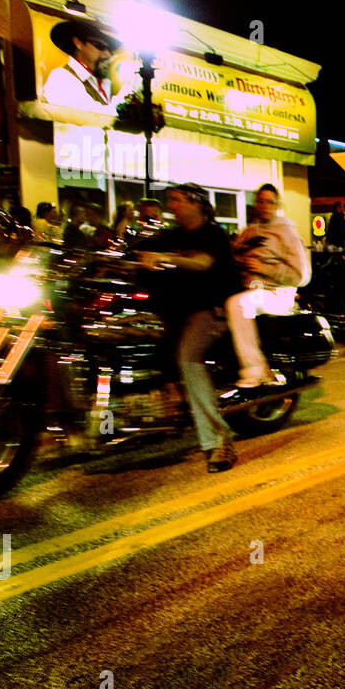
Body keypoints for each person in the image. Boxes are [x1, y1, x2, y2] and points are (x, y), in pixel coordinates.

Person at [136, 183, 242, 473]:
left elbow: (202, 262)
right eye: (170, 200)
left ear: (197, 204)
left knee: (188, 357)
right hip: (177, 311)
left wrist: (165, 258)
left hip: (211, 310)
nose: (172, 206)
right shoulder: (173, 234)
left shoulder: (213, 234)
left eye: (178, 200)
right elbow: (141, 248)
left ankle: (220, 441)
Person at [227, 184, 310, 388]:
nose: (264, 206)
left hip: (276, 294)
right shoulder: (248, 232)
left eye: (269, 202)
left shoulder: (286, 232)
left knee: (239, 304)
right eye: (260, 201)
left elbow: (302, 275)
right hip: (250, 289)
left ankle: (254, 369)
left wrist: (265, 268)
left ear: (277, 205)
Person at [40, 18, 123, 112]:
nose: (108, 55)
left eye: (110, 50)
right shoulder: (61, 77)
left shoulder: (103, 82)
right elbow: (93, 117)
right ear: (78, 43)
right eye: (99, 46)